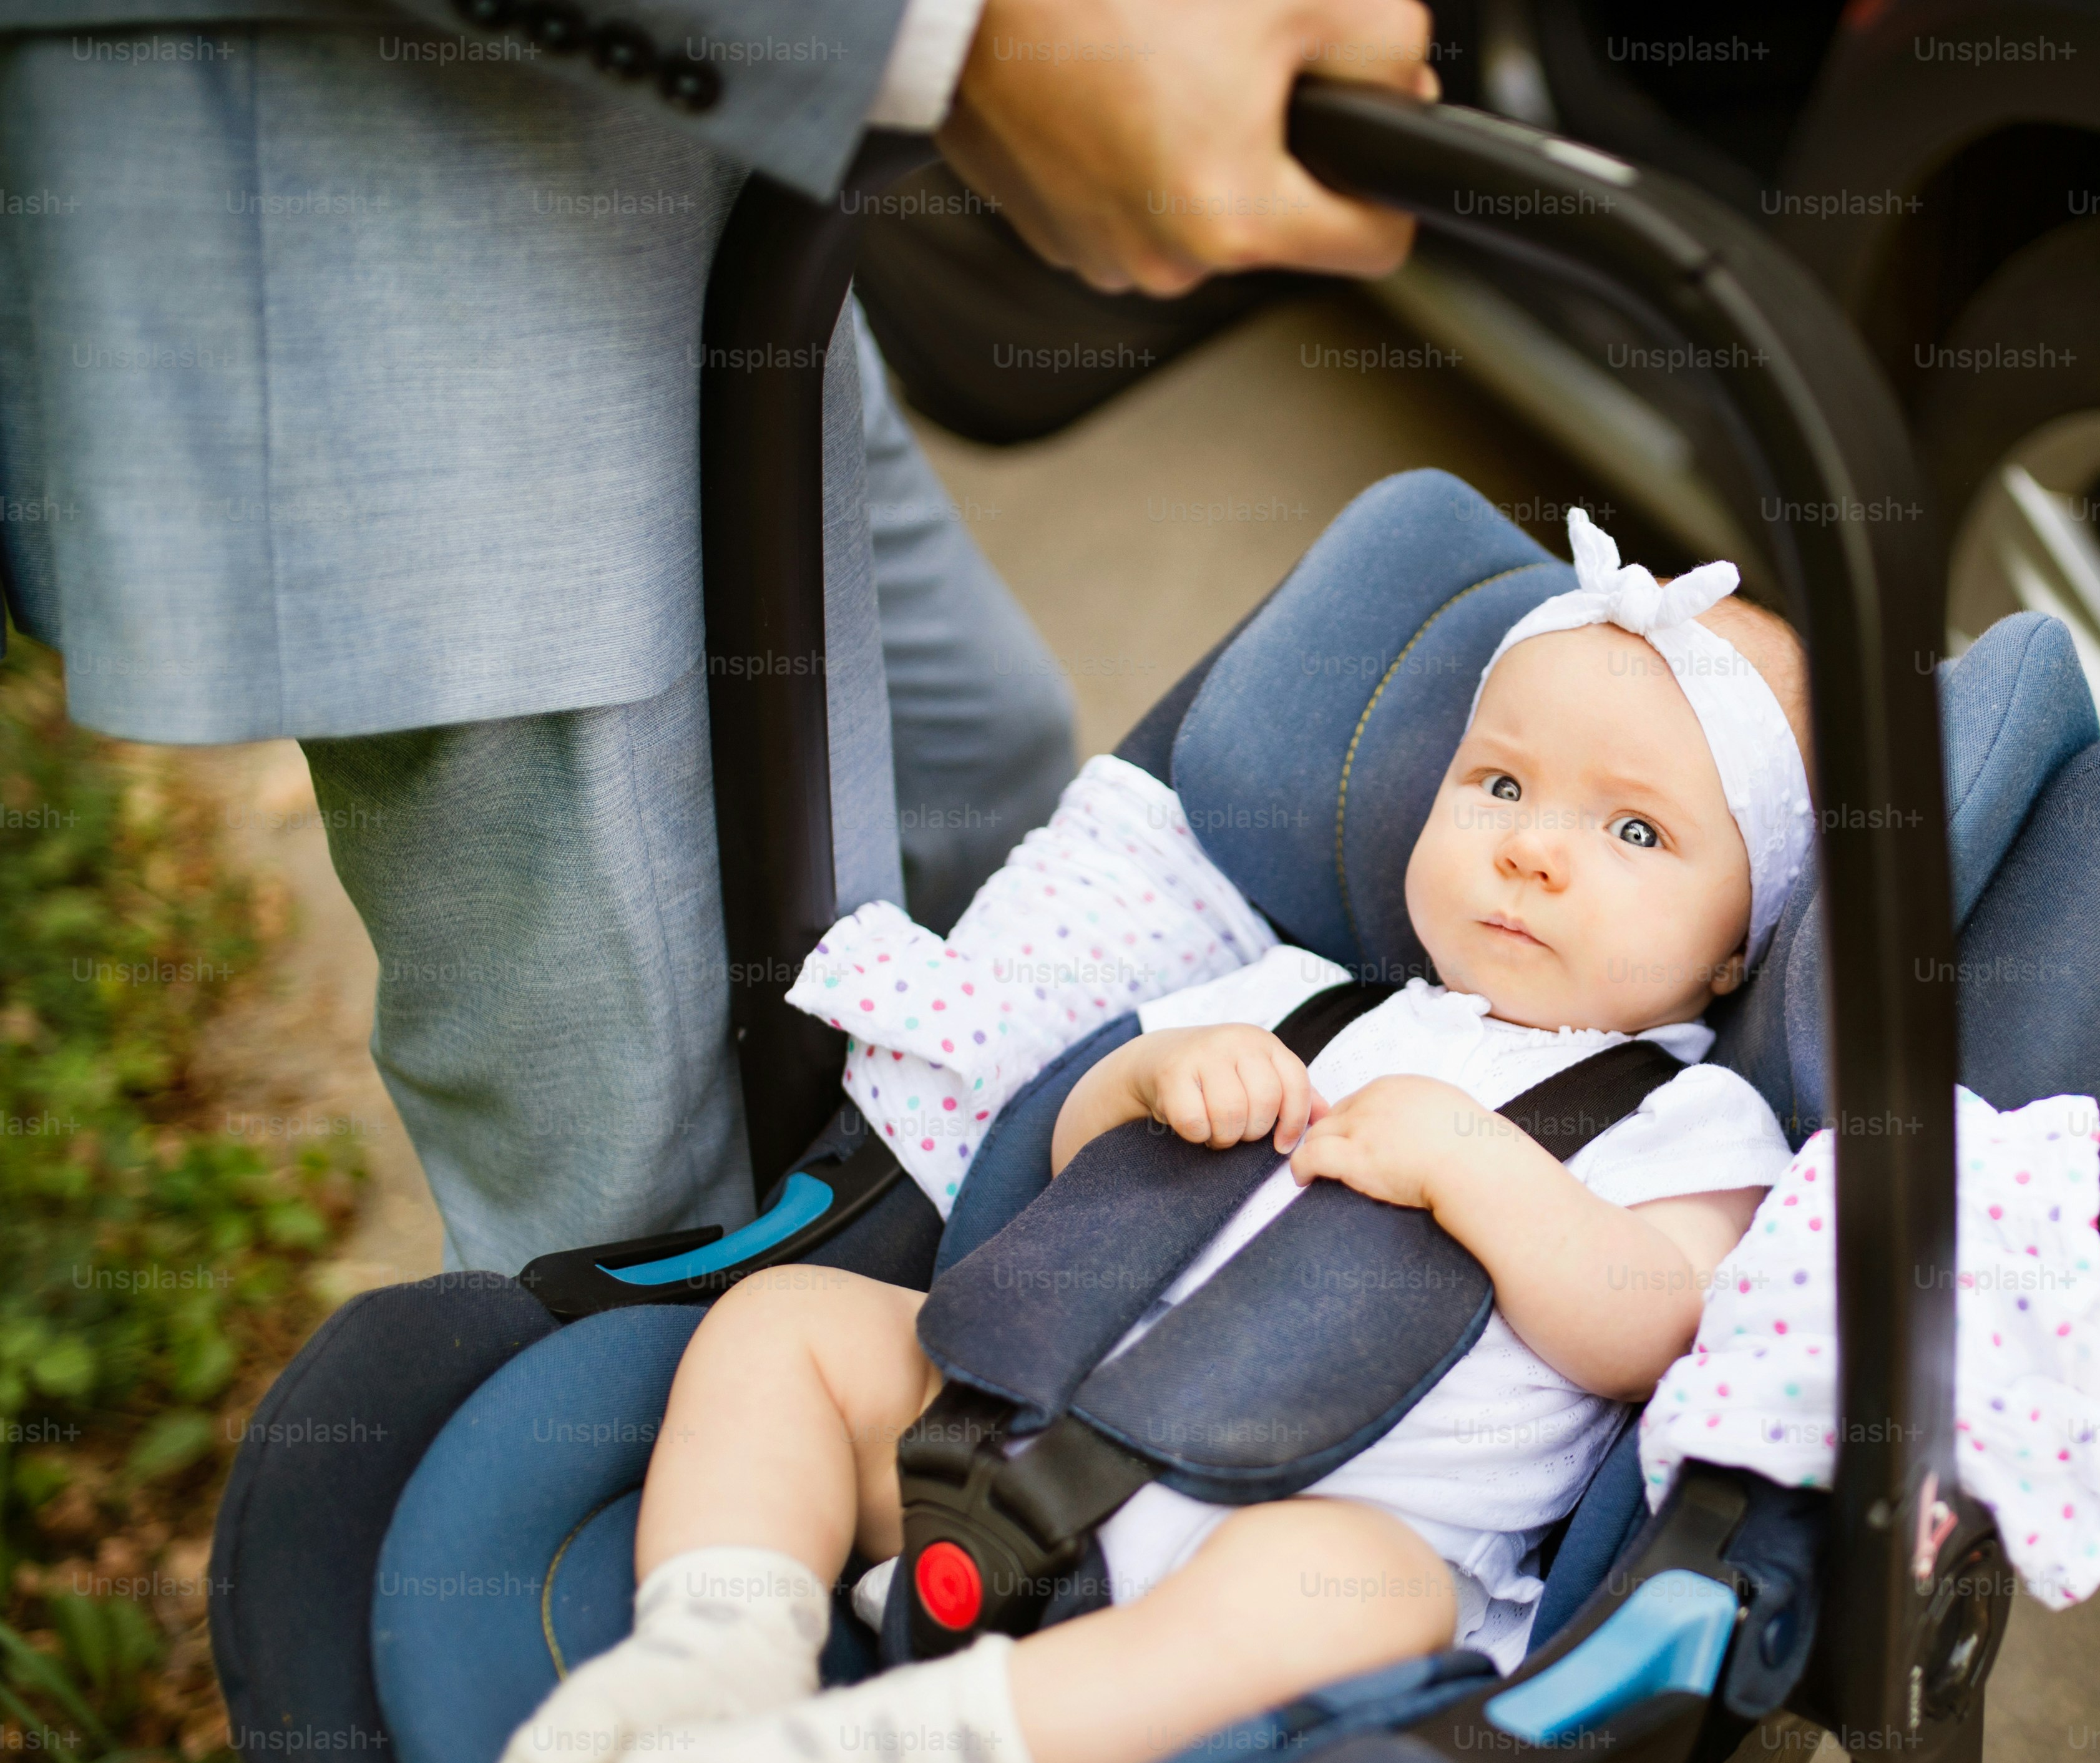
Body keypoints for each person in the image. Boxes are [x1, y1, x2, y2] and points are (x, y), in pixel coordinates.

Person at [485, 518, 1815, 1763]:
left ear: (1738, 938)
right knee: (790, 1326)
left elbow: (1654, 1324)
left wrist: (1475, 1163)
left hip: (1302, 1537)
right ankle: (715, 1643)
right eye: (1498, 782)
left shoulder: (1697, 1125)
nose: (1534, 849)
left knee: (1365, 1591)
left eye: (1635, 827)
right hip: (1000, 1426)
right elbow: (1059, 1147)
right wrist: (1158, 1074)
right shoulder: (1297, 995)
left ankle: (879, 1762)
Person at [0, 0, 1442, 1272]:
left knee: (978, 761)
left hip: (715, 170)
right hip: (397, 166)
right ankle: (664, 1532)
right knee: (648, 1171)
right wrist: (973, 28)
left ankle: (961, 1249)